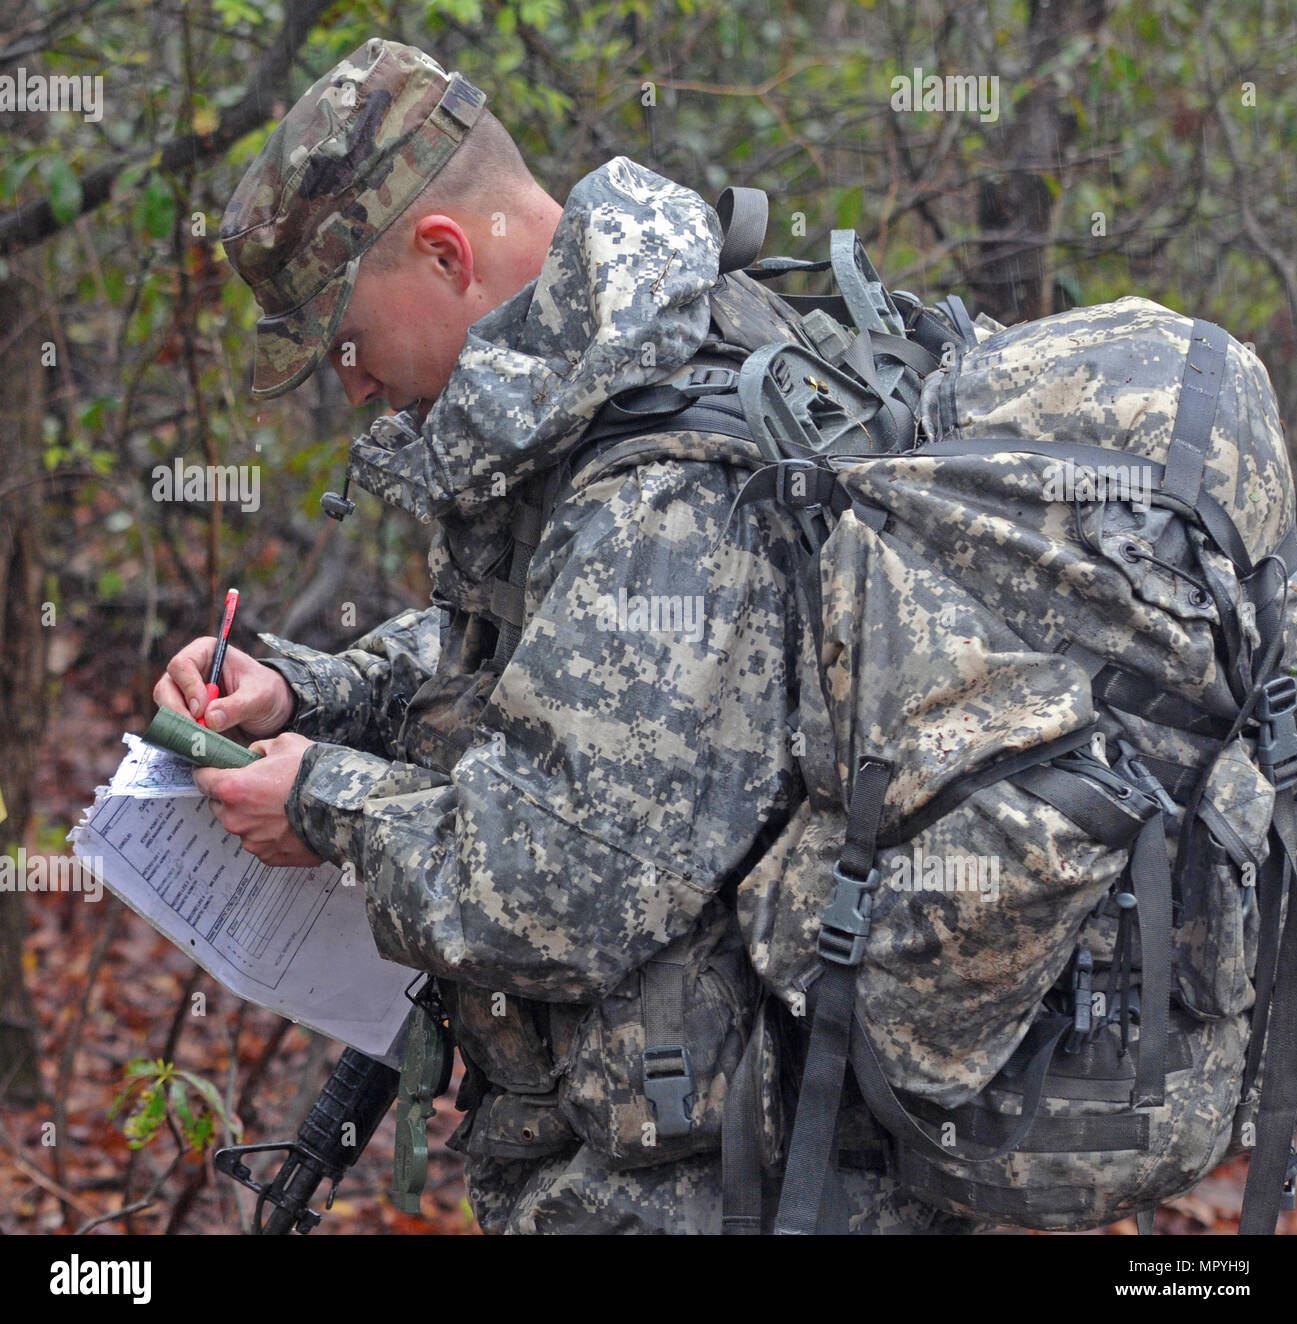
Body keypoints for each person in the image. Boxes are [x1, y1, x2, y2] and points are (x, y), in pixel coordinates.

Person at [154, 37, 970, 1234]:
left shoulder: (663, 470)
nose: (354, 387)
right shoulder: (601, 386)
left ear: (443, 255)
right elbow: (538, 662)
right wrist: (307, 695)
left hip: (733, 1186)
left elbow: (568, 884)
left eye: (344, 339)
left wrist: (322, 801)